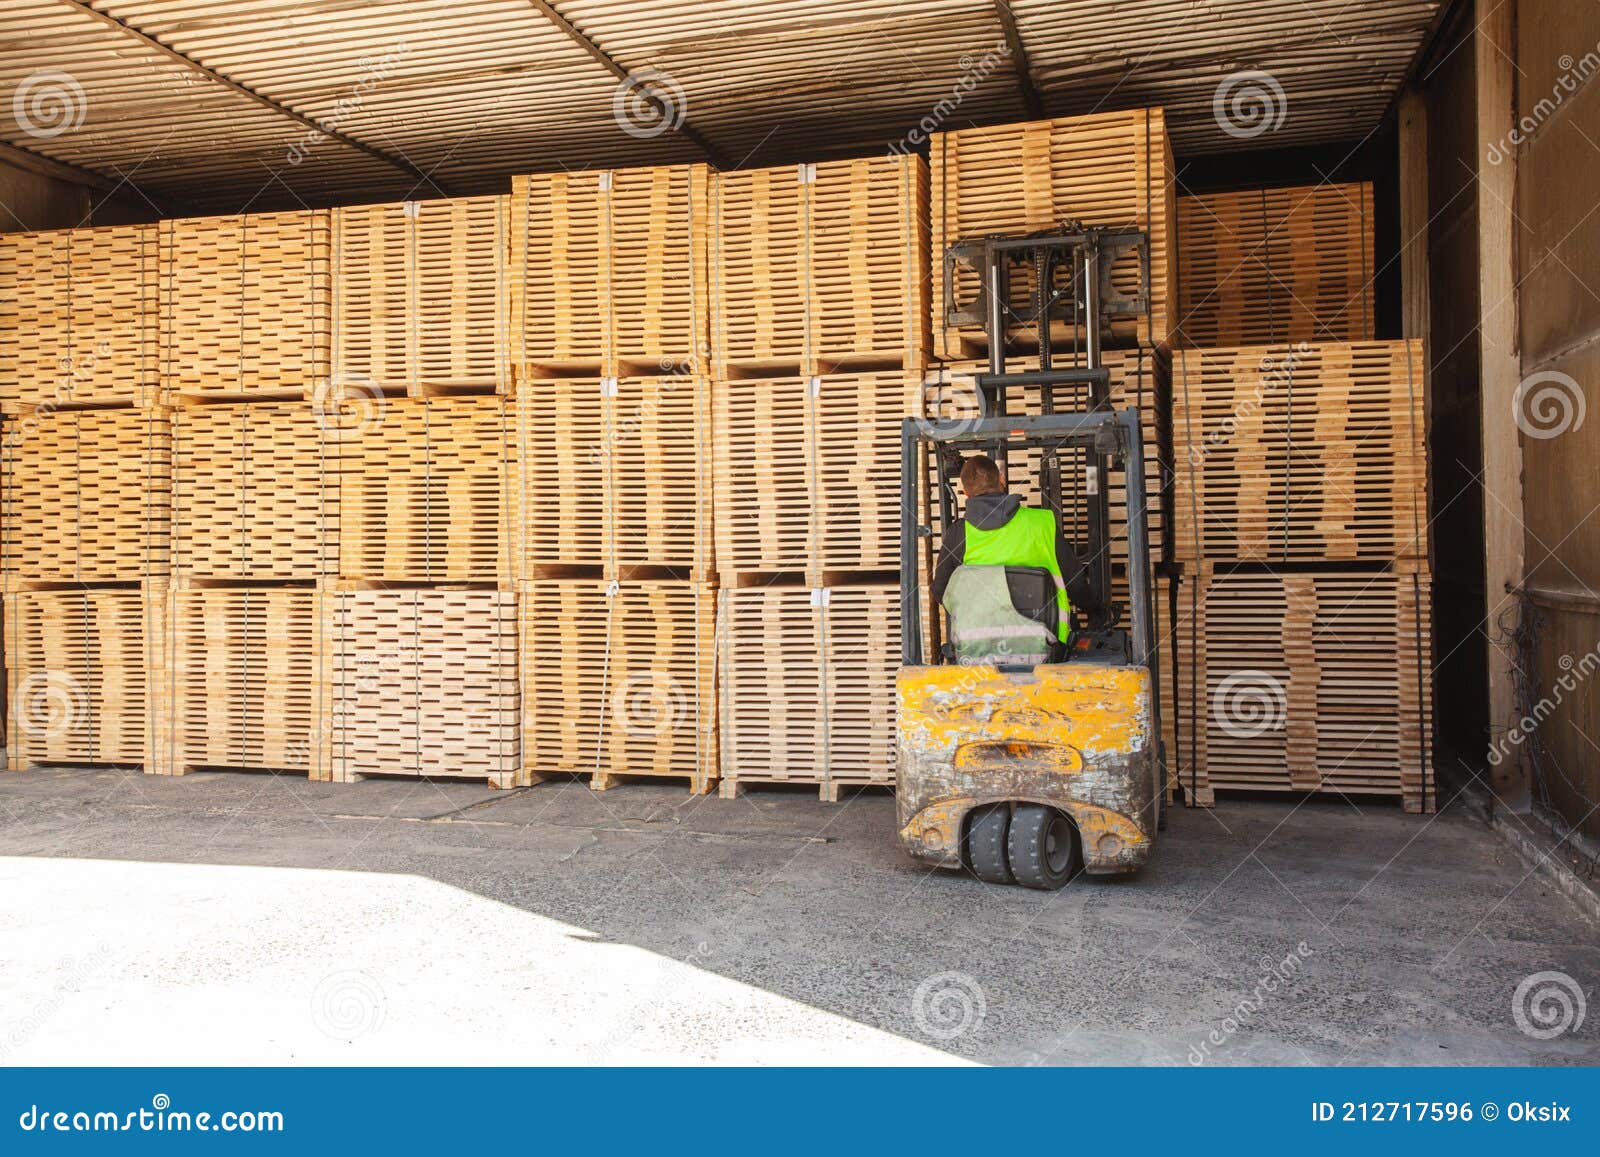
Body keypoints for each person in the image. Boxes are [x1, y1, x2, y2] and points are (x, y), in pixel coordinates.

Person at [930, 454, 1099, 648]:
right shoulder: (1042, 523)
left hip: (978, 649)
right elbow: (1075, 582)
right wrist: (1095, 611)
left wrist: (973, 611)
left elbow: (940, 590)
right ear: (1001, 480)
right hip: (1046, 646)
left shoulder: (958, 534)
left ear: (966, 493)